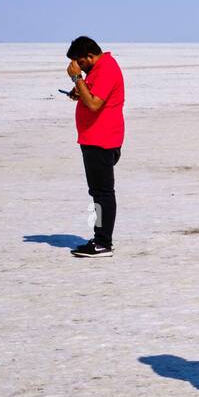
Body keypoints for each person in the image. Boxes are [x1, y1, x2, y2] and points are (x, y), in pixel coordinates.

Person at [65, 37, 125, 258]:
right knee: (98, 193)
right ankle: (100, 239)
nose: (78, 67)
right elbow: (90, 97)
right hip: (94, 139)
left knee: (102, 194)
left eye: (80, 63)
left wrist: (76, 78)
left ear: (90, 56)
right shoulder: (98, 70)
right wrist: (79, 89)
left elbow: (94, 104)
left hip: (101, 140)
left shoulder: (107, 69)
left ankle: (103, 242)